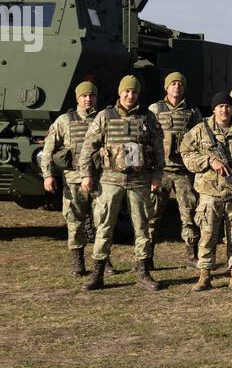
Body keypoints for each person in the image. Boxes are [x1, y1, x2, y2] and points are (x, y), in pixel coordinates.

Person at [79, 74, 165, 291]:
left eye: (134, 91)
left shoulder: (148, 117)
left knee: (142, 226)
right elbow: (89, 147)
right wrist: (86, 175)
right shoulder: (104, 116)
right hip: (110, 180)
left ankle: (143, 272)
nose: (130, 95)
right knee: (104, 226)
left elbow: (157, 148)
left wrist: (157, 175)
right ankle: (98, 273)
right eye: (126, 91)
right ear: (120, 93)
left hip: (139, 181)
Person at [180, 92, 232, 290]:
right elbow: (186, 153)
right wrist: (208, 161)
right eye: (220, 106)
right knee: (207, 235)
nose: (224, 110)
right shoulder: (200, 131)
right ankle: (204, 275)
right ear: (214, 109)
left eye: (227, 106)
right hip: (209, 192)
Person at [41, 80, 100, 276]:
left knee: (103, 222)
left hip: (100, 179)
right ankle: (78, 263)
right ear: (77, 98)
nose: (88, 99)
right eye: (84, 96)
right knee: (75, 221)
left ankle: (103, 261)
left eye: (91, 95)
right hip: (73, 180)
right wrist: (48, 175)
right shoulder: (64, 121)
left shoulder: (102, 118)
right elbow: (48, 150)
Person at [147, 72, 202, 267]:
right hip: (160, 171)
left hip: (183, 172)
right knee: (152, 216)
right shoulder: (154, 109)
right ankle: (147, 257)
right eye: (173, 83)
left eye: (180, 83)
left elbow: (200, 137)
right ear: (166, 87)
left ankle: (191, 256)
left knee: (189, 215)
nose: (176, 86)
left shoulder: (192, 111)